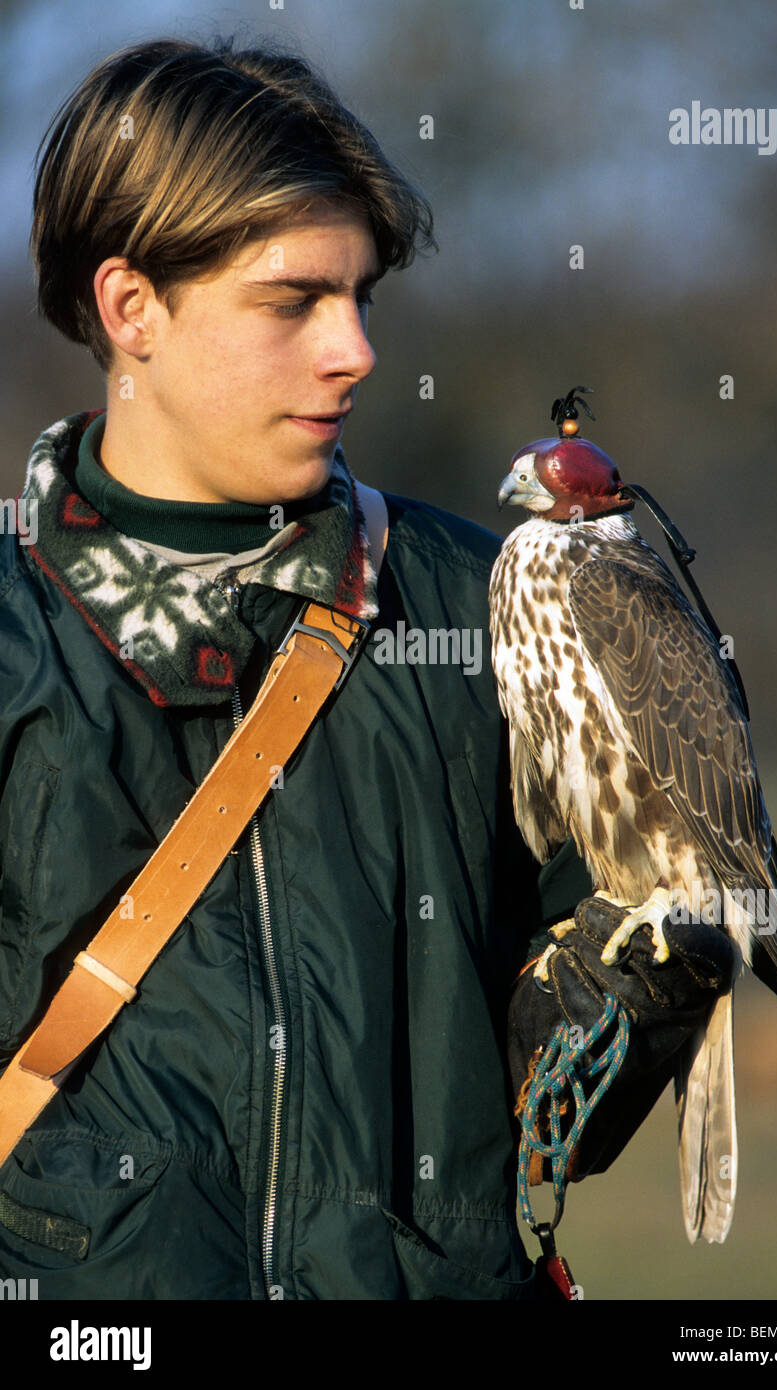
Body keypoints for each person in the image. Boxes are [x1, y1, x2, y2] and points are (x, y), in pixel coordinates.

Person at [0, 35, 729, 1300]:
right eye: (292, 301)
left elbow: (559, 1096)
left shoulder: (485, 598)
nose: (354, 350)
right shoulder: (14, 633)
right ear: (132, 310)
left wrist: (646, 986)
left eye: (362, 298)